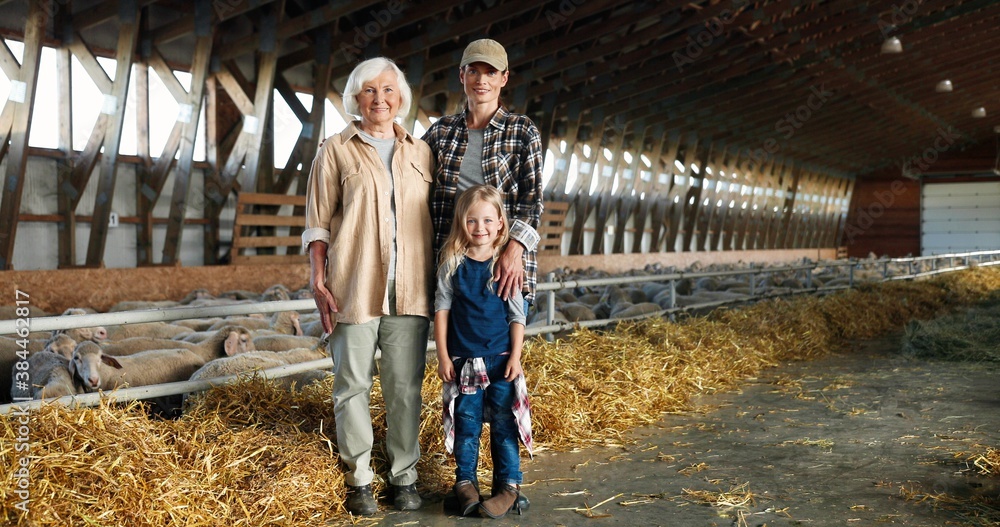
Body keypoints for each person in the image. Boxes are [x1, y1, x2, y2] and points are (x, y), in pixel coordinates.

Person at [301, 57, 434, 516]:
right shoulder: (335, 150)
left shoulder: (420, 152)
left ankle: (404, 477)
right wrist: (317, 278)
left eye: (389, 91)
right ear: (355, 98)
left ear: (401, 99)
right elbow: (317, 223)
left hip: (410, 288)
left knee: (405, 388)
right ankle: (359, 478)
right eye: (369, 91)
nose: (380, 99)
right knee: (351, 385)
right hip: (353, 286)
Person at [434, 185, 533, 519]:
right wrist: (443, 356)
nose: (480, 228)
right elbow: (442, 309)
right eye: (472, 221)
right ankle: (466, 483)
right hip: (464, 361)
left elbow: (517, 315)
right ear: (462, 224)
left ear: (501, 223)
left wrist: (516, 357)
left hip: (502, 359)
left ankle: (508, 486)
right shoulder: (452, 263)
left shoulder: (504, 267)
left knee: (505, 424)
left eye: (488, 220)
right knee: (468, 423)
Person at [422, 38, 544, 308]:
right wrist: (345, 148)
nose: (481, 80)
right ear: (461, 75)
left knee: (500, 346)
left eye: (491, 72)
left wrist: (514, 250)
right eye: (474, 71)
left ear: (504, 78)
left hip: (502, 265)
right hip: (452, 264)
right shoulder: (441, 132)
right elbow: (402, 164)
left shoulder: (522, 131)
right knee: (457, 348)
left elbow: (532, 201)